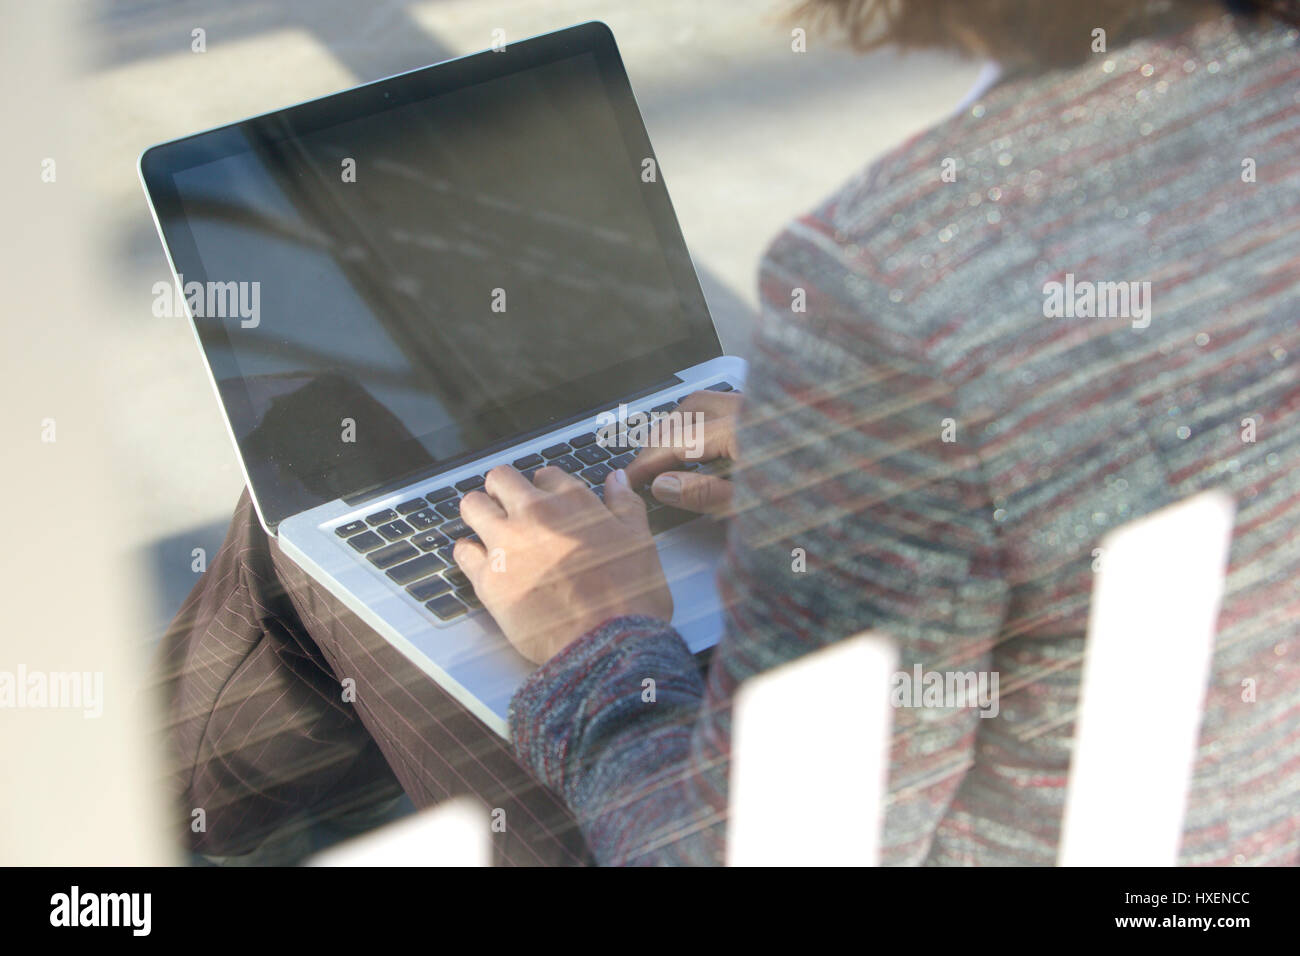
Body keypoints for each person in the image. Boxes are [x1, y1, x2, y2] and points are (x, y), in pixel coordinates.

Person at [159, 0, 1300, 864]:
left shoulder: (912, 261)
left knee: (313, 494)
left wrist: (595, 639)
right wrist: (874, 475)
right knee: (350, 480)